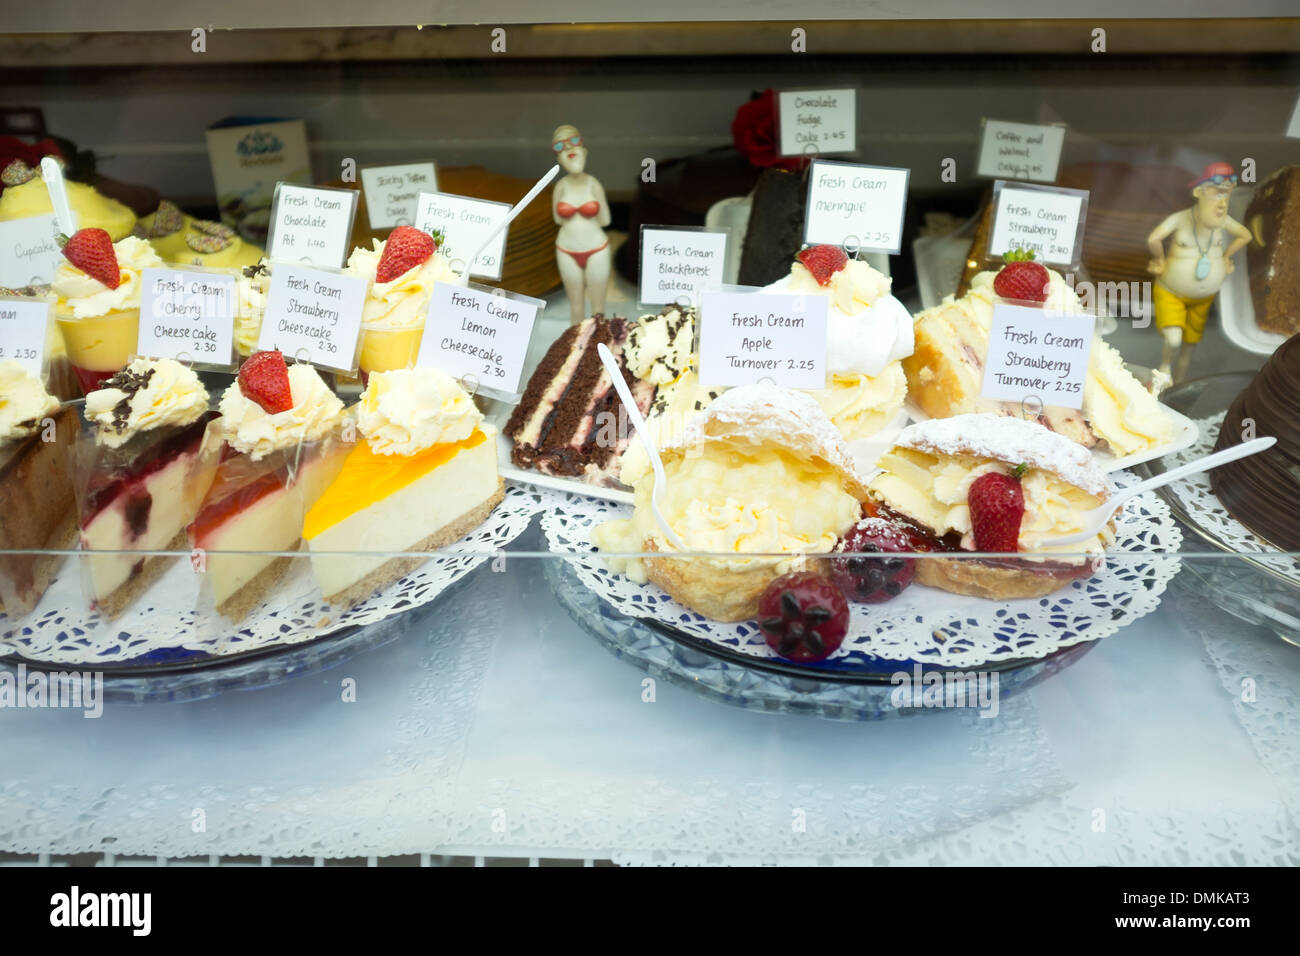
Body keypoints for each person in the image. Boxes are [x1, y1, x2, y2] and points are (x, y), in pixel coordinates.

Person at [1146, 162, 1251, 382]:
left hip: (1204, 299)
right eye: (1216, 193)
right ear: (1199, 192)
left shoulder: (1223, 223)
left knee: (1189, 347)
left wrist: (1226, 257)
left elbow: (1245, 235)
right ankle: (1164, 369)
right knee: (1173, 339)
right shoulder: (1180, 219)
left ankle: (1181, 384)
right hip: (1172, 291)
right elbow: (1153, 238)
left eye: (1226, 195)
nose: (1222, 203)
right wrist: (1159, 260)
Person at [551, 124, 611, 325]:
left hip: (597, 249)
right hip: (566, 249)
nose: (569, 150)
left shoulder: (593, 184)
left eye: (573, 143)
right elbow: (557, 218)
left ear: (584, 151)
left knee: (598, 308)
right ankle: (574, 349)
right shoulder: (560, 187)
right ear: (558, 158)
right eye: (562, 147)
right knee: (575, 306)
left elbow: (606, 220)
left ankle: (598, 348)